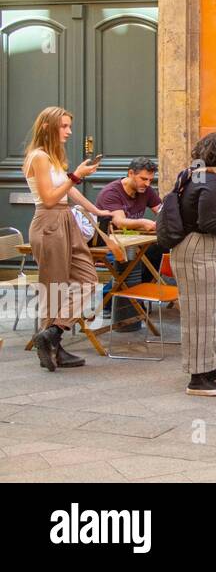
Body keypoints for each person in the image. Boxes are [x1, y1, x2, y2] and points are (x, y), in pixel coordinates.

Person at [24, 106, 106, 372]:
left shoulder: (53, 156)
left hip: (65, 220)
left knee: (88, 279)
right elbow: (49, 199)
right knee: (54, 288)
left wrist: (97, 210)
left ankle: (52, 334)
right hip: (48, 222)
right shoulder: (38, 157)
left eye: (70, 126)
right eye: (64, 126)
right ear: (47, 126)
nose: (70, 131)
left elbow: (68, 193)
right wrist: (75, 176)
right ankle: (53, 348)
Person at [174, 132, 216, 396]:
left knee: (210, 310)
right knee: (200, 314)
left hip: (198, 251)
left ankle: (210, 368)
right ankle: (198, 379)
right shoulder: (211, 181)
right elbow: (206, 222)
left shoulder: (195, 175)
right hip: (197, 250)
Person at [95, 157, 163, 332]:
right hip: (111, 243)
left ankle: (135, 295)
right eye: (143, 179)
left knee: (160, 248)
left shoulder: (146, 190)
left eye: (150, 180)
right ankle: (109, 300)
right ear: (130, 173)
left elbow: (161, 211)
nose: (147, 183)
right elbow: (119, 222)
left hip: (136, 242)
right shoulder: (111, 192)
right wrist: (144, 223)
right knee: (130, 261)